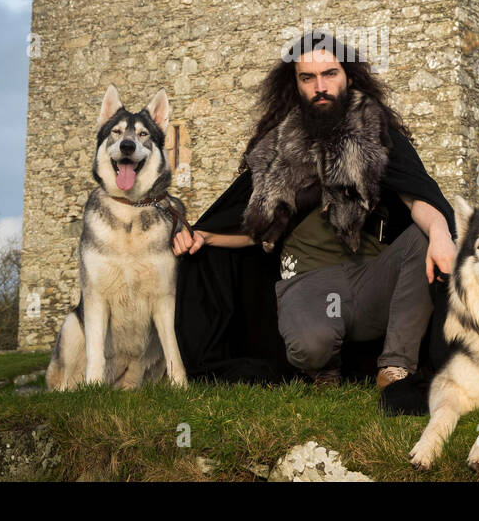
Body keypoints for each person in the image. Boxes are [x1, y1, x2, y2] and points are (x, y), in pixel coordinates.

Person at [172, 29, 457, 393]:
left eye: (329, 74)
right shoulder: (280, 148)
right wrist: (205, 236)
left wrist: (440, 234)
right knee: (311, 345)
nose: (319, 86)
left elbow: (419, 199)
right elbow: (257, 226)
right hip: (309, 282)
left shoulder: (378, 135)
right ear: (296, 85)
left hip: (373, 279)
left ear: (348, 77)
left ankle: (395, 367)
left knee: (424, 235)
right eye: (308, 78)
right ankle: (324, 369)